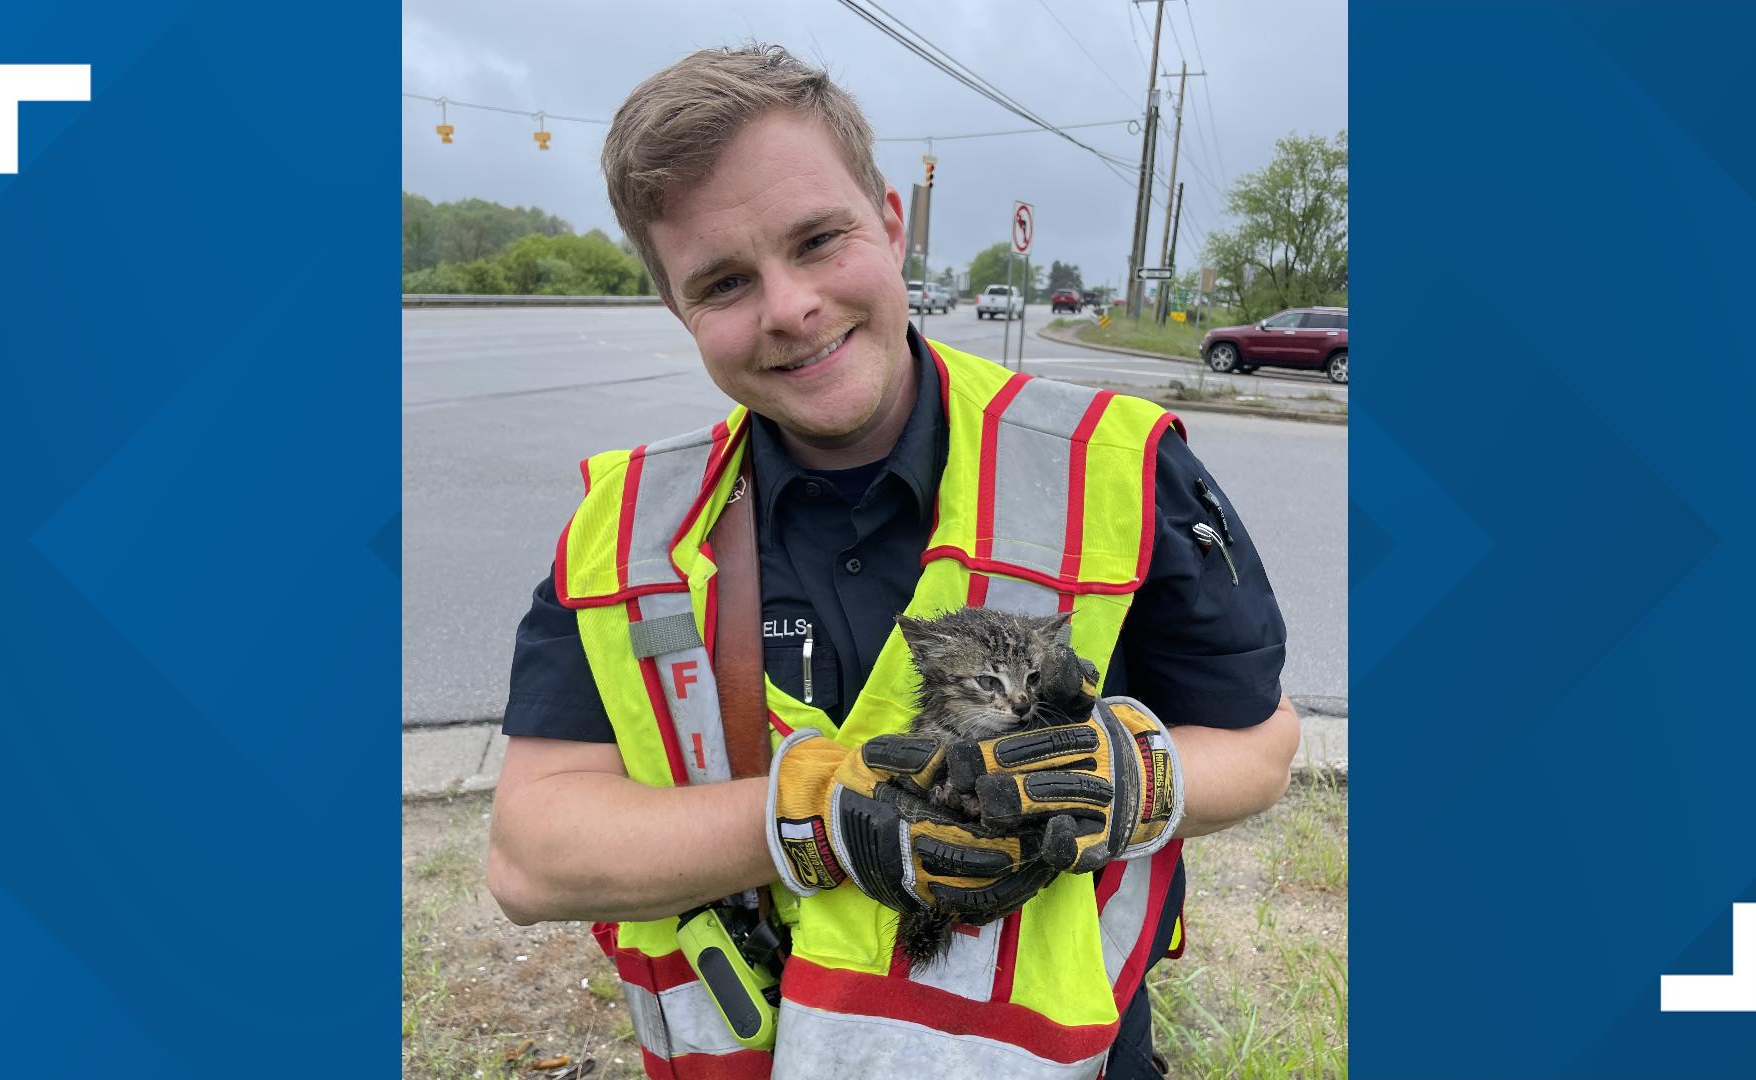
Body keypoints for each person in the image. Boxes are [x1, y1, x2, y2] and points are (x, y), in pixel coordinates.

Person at [486, 44, 1299, 1080]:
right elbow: (528, 855)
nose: (788, 307)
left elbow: (1261, 748)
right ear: (678, 310)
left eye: (819, 240)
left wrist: (1135, 779)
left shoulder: (1123, 468)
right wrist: (817, 815)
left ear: (891, 222)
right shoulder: (626, 528)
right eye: (725, 281)